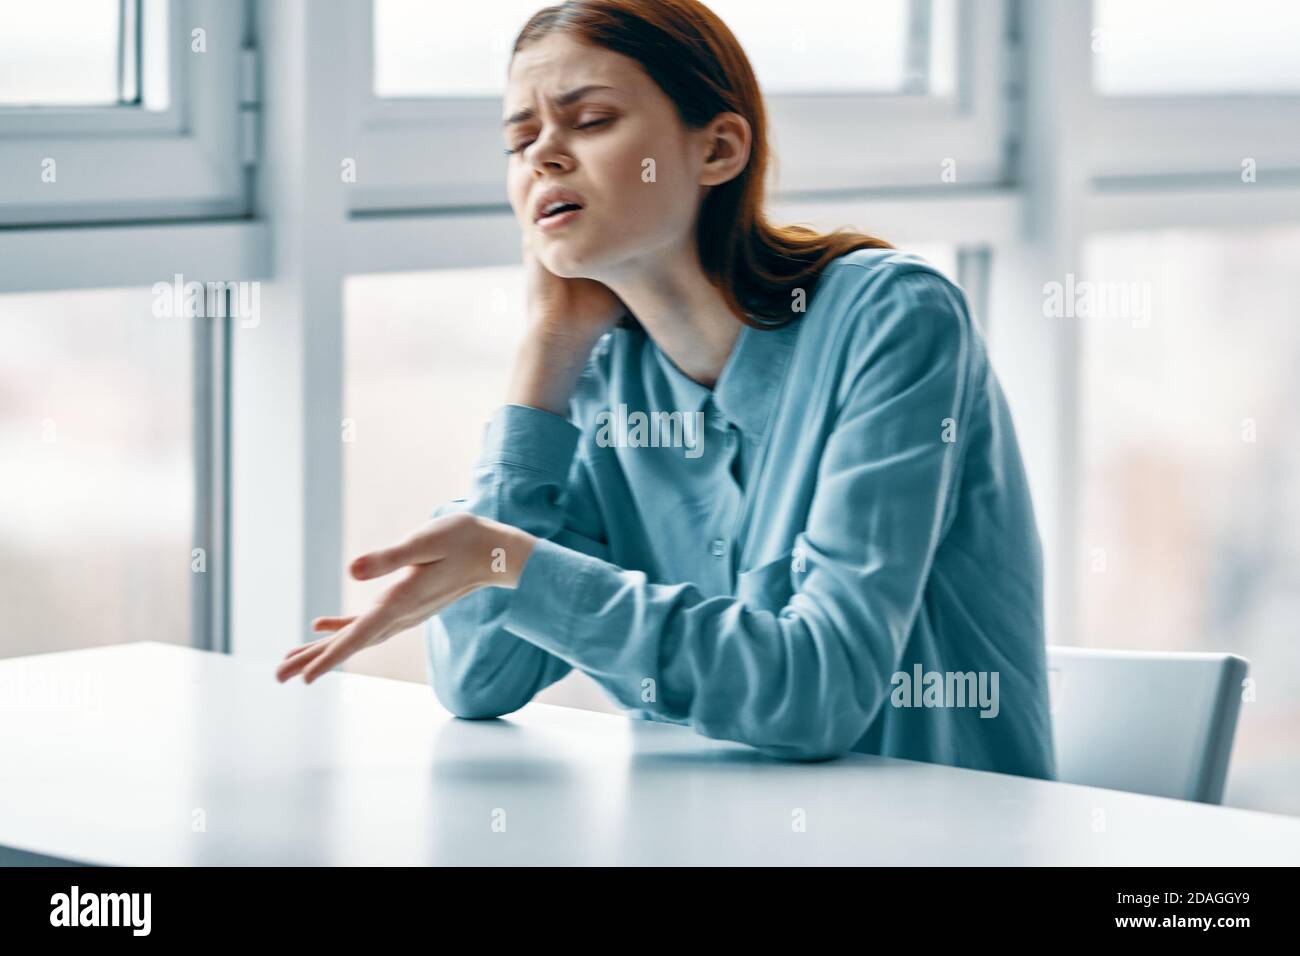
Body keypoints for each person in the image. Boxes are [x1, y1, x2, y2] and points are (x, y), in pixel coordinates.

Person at [277, 0, 1056, 777]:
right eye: (520, 139)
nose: (543, 155)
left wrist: (513, 562)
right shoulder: (599, 379)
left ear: (717, 149)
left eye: (589, 120)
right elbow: (481, 680)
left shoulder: (892, 317)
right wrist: (544, 356)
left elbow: (820, 691)